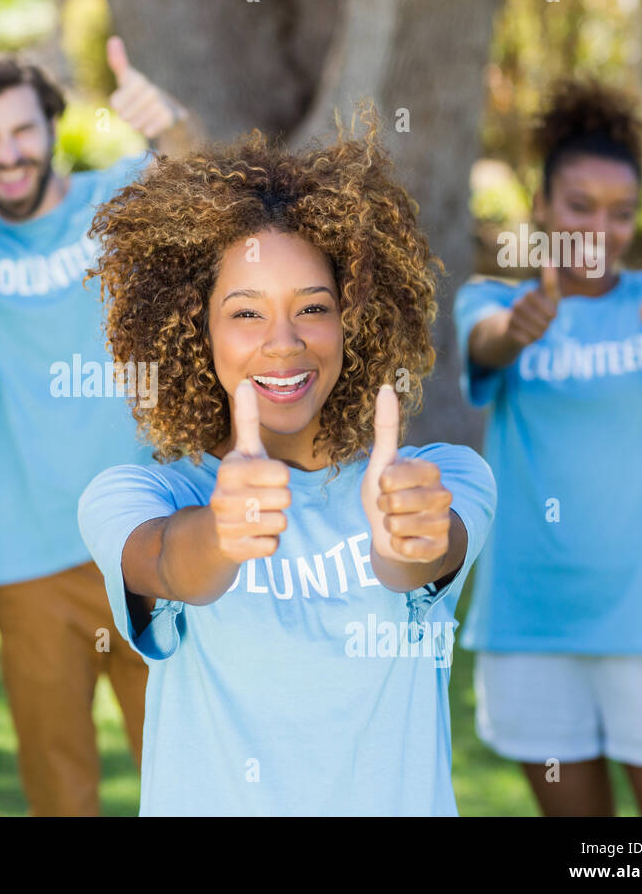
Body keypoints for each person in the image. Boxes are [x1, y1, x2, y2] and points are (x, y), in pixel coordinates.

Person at [77, 123, 497, 815]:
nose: (284, 342)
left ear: (353, 320)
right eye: (246, 312)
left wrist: (408, 541)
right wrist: (220, 534)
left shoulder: (443, 477)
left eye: (312, 307)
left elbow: (414, 561)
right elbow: (170, 564)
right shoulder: (138, 495)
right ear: (193, 325)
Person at [0, 39, 197, 816]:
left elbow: (201, 174)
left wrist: (172, 126)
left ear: (53, 124)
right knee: (59, 792)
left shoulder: (124, 192)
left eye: (22, 130)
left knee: (190, 774)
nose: (9, 154)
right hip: (29, 563)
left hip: (156, 537)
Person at [454, 79, 642, 816]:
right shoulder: (491, 303)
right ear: (540, 206)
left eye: (621, 212)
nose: (600, 229)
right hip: (531, 624)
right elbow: (486, 346)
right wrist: (516, 332)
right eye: (580, 206)